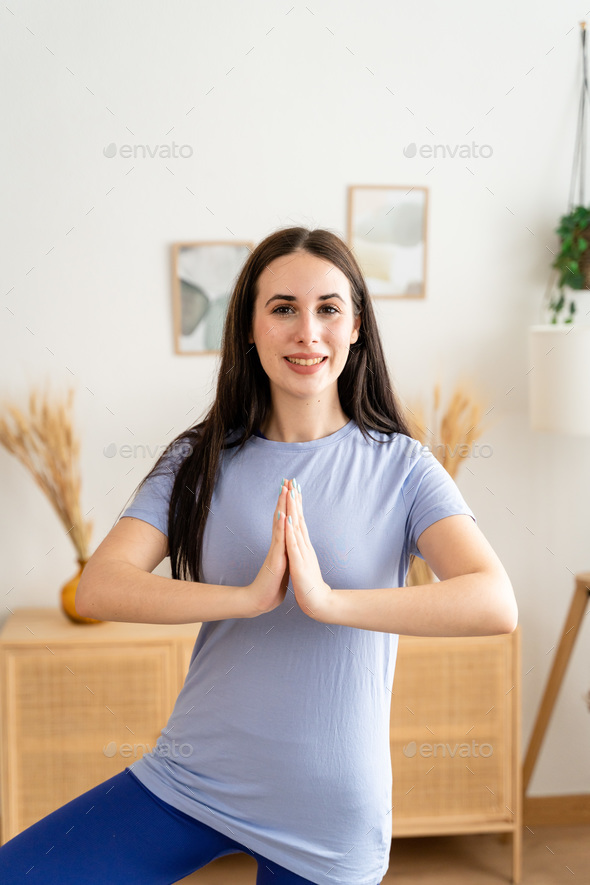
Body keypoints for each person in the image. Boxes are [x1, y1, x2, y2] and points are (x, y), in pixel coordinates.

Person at [0, 226, 518, 885]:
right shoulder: (198, 458)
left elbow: (494, 601)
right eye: (283, 308)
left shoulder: (404, 467)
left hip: (328, 816)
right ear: (249, 326)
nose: (308, 332)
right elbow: (100, 585)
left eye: (328, 308)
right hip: (191, 777)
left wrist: (327, 601)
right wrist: (247, 598)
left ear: (356, 326)